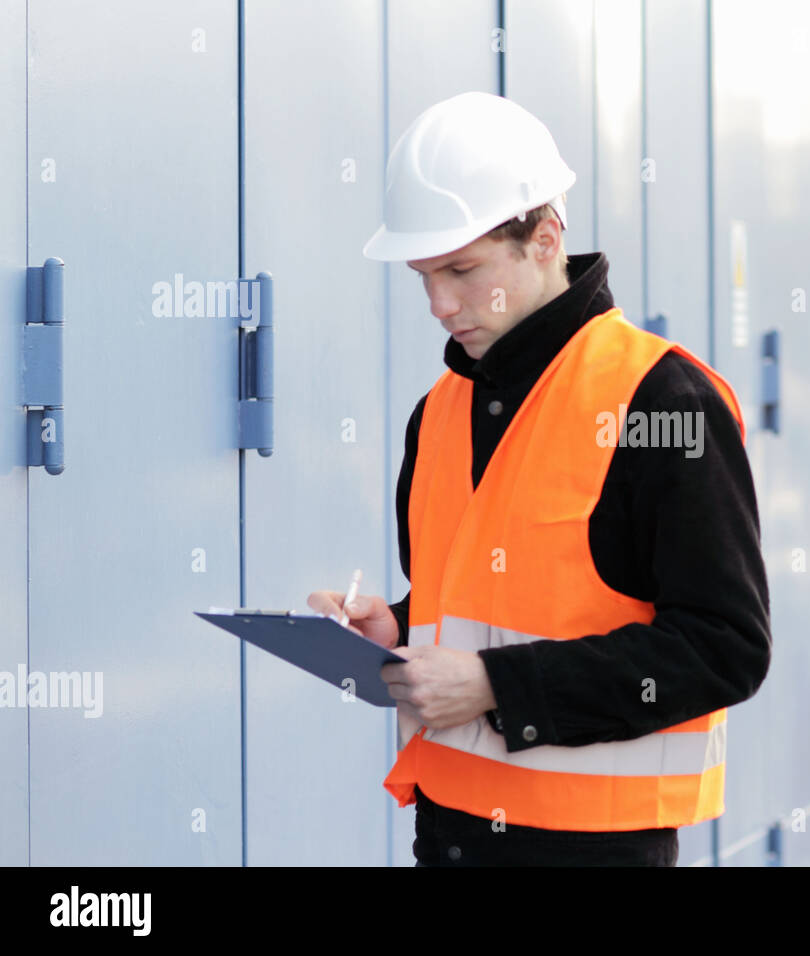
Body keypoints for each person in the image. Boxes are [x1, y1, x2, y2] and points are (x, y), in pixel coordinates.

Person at [309, 91, 770, 866]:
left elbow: (723, 647)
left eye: (462, 269)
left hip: (594, 851)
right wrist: (394, 626)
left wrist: (497, 685)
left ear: (546, 239)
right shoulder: (441, 412)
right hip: (449, 836)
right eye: (424, 274)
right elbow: (497, 601)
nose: (439, 303)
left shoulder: (662, 401)